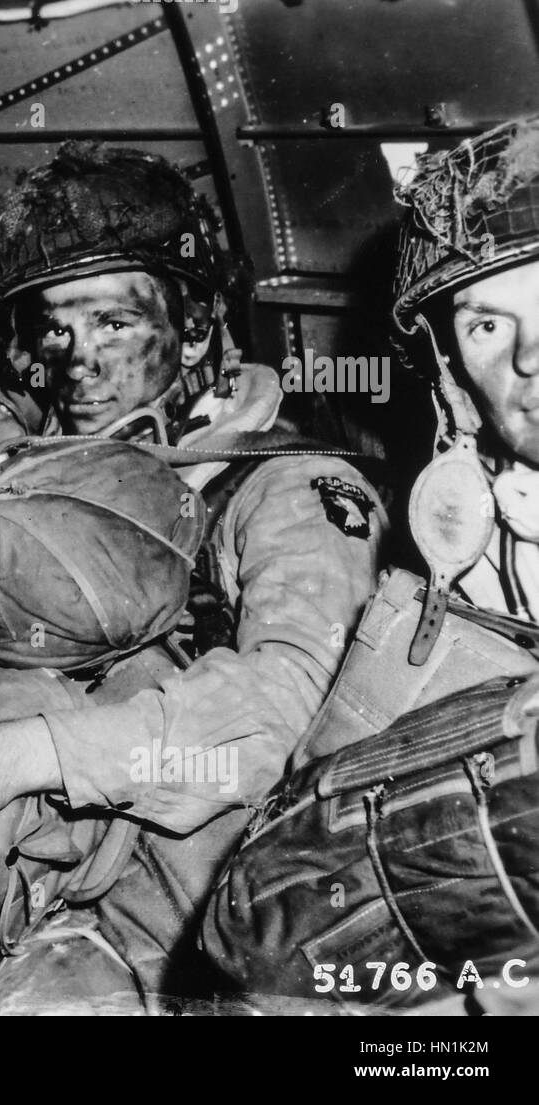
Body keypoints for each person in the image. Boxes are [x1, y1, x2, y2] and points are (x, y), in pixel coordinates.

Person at [0, 143, 389, 1012]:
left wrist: (20, 757)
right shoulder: (39, 459)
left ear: (195, 327)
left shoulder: (283, 485)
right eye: (56, 327)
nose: (77, 360)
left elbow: (286, 702)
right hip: (12, 868)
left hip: (170, 922)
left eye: (114, 323)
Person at [203, 115, 539, 1014]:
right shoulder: (448, 571)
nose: (533, 360)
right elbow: (271, 919)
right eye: (487, 323)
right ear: (450, 367)